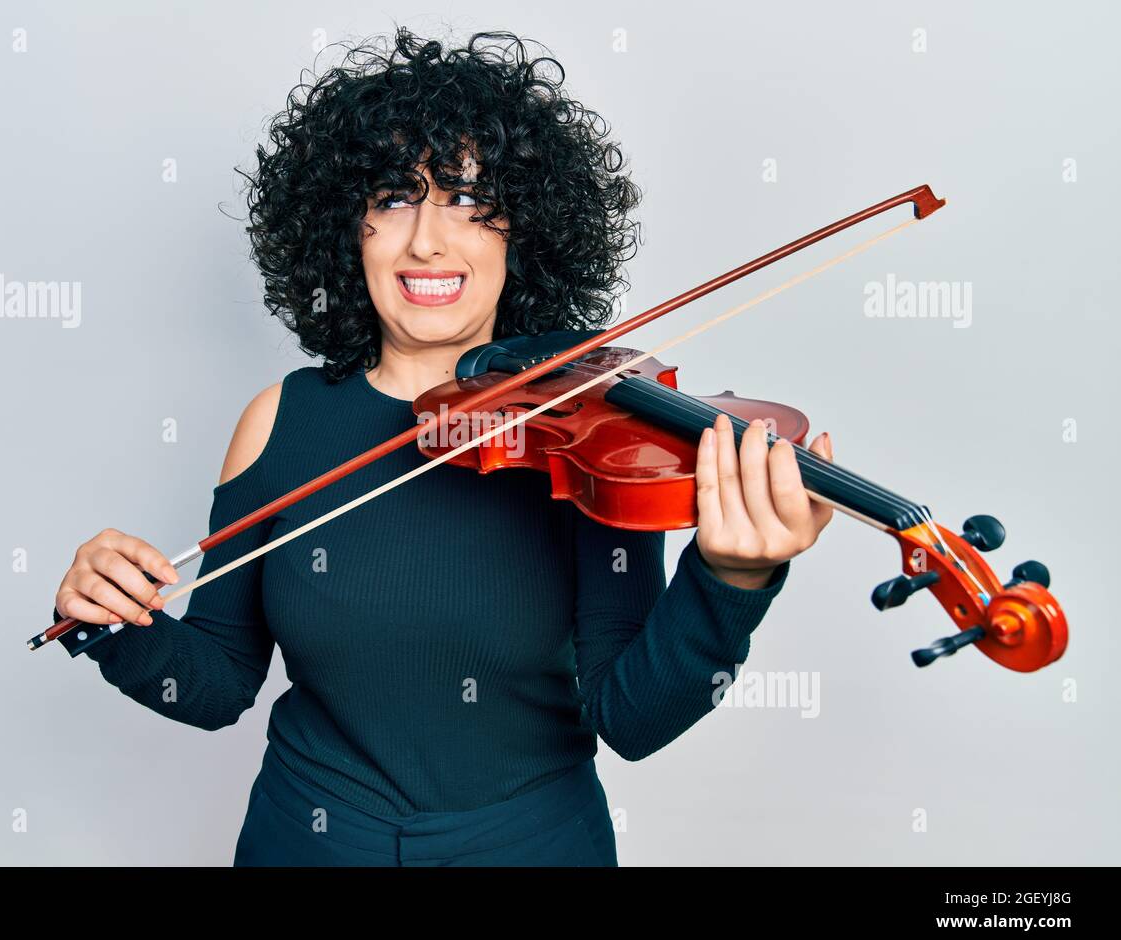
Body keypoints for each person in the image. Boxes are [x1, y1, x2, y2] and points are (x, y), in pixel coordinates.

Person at [52, 28, 833, 866]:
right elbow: (213, 682)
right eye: (393, 198)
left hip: (533, 845)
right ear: (347, 231)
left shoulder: (583, 429)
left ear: (522, 230)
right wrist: (109, 621)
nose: (427, 239)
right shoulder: (280, 419)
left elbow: (631, 719)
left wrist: (732, 580)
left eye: (468, 199)